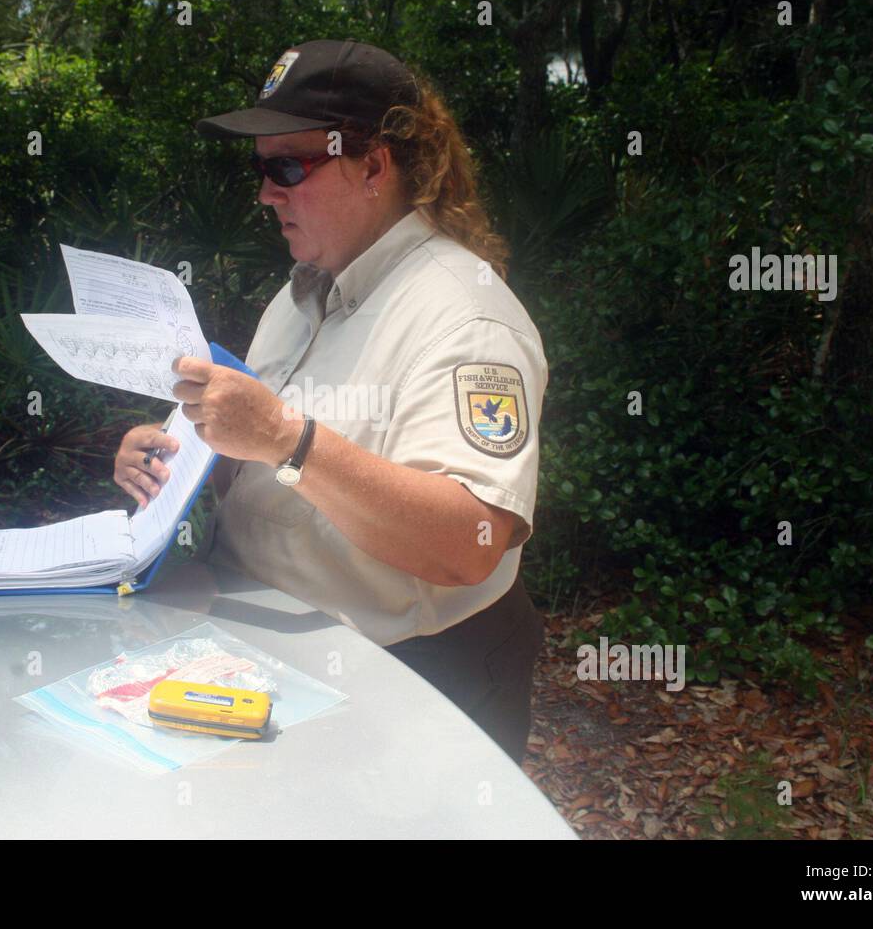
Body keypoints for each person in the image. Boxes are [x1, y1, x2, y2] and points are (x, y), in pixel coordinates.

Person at [112, 39, 549, 764]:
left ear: (374, 164)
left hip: (407, 687)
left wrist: (286, 437)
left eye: (287, 167)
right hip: (261, 654)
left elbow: (471, 543)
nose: (264, 193)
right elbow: (268, 474)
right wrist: (188, 453)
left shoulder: (466, 318)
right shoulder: (301, 292)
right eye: (260, 169)